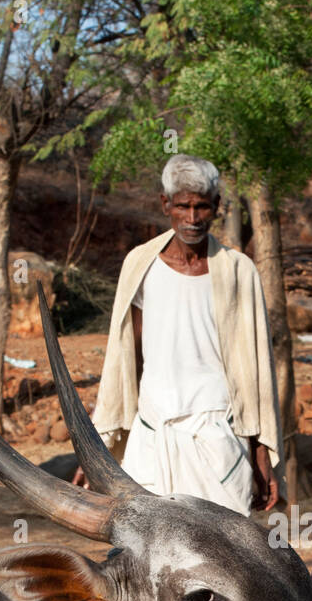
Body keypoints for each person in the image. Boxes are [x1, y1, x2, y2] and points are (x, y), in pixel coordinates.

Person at [85, 154, 282, 513]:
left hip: (219, 436)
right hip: (153, 434)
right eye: (183, 206)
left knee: (226, 554)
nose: (192, 219)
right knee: (146, 551)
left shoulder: (239, 271)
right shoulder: (140, 265)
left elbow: (256, 372)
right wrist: (99, 444)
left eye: (202, 207)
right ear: (165, 204)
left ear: (217, 207)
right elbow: (125, 358)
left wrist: (261, 451)